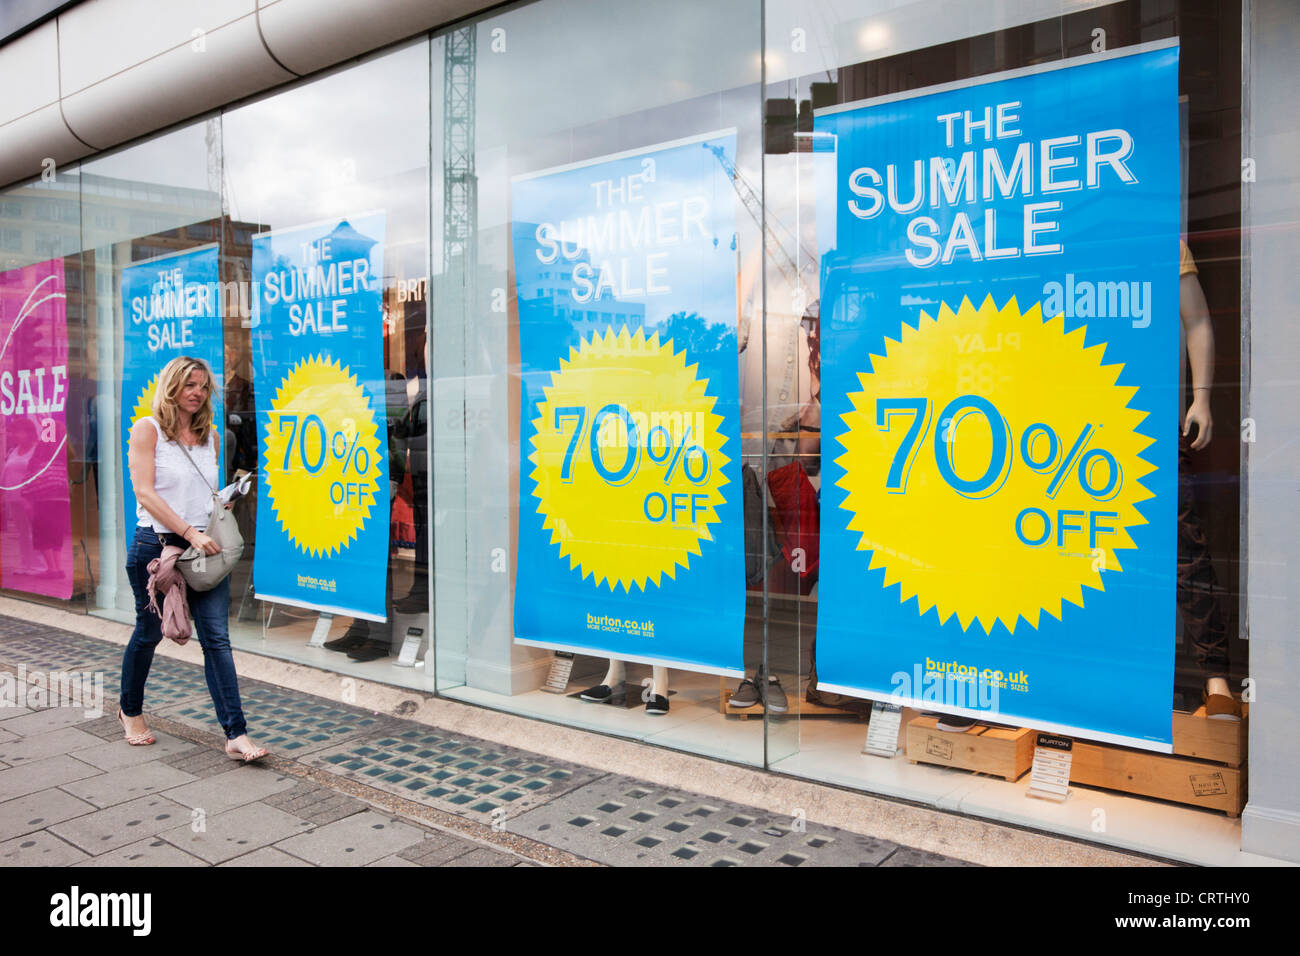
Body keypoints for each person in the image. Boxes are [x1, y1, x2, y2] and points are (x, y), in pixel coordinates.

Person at [119, 355, 267, 760]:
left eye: (202, 386)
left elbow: (204, 494)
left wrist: (225, 502)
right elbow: (145, 493)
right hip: (158, 550)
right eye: (188, 385)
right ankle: (130, 710)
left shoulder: (211, 436)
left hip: (202, 552)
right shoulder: (147, 430)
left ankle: (236, 734)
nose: (197, 392)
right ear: (171, 387)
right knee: (149, 634)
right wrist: (189, 533)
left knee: (217, 639)